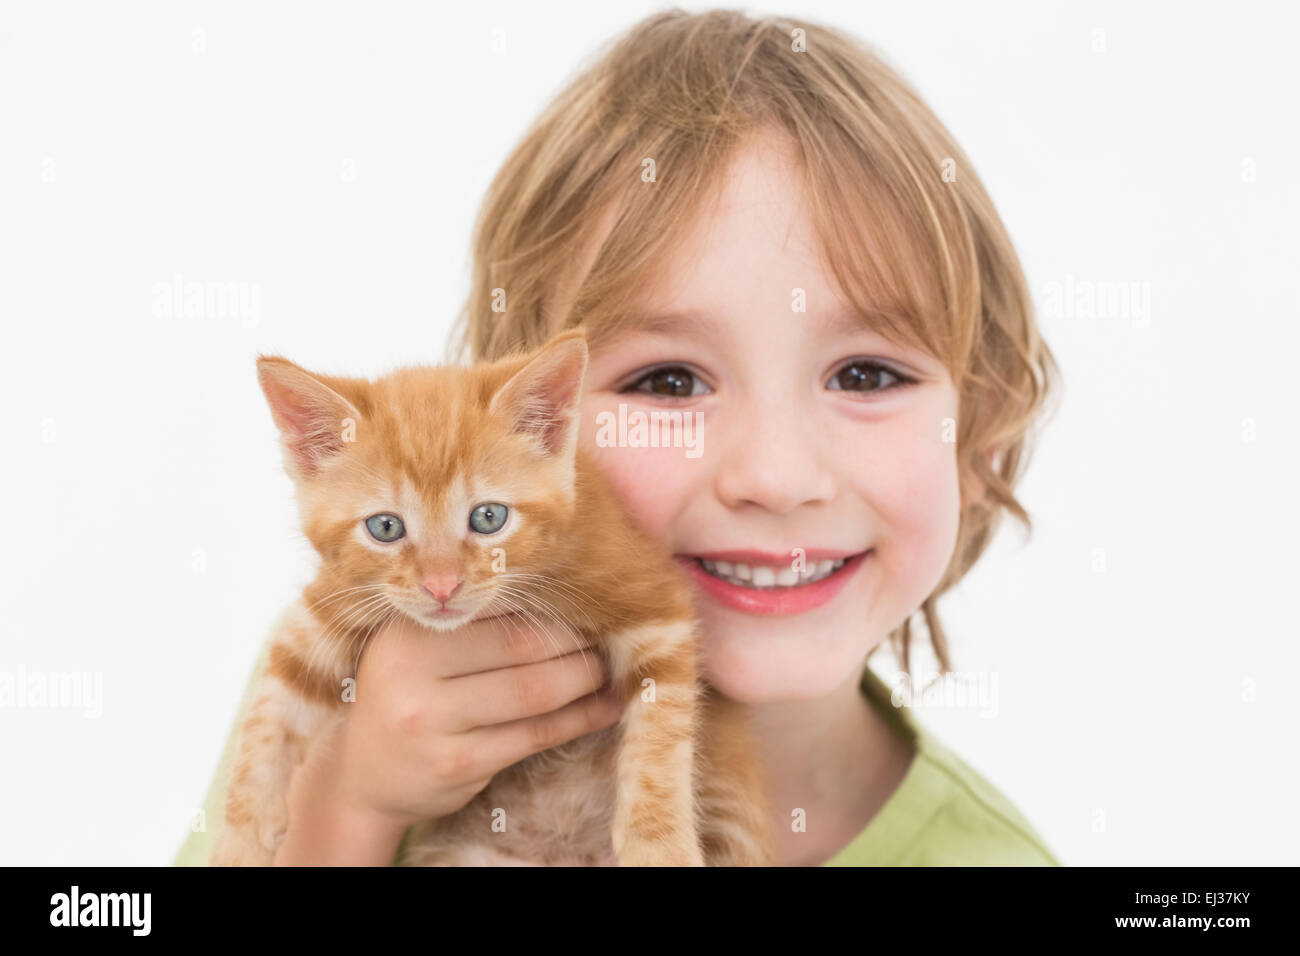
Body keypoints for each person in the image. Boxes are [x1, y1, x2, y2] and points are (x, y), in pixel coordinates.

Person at [174, 9, 1062, 867]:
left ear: (977, 440)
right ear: (530, 428)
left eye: (866, 376)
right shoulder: (364, 684)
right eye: (668, 381)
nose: (776, 477)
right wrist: (349, 803)